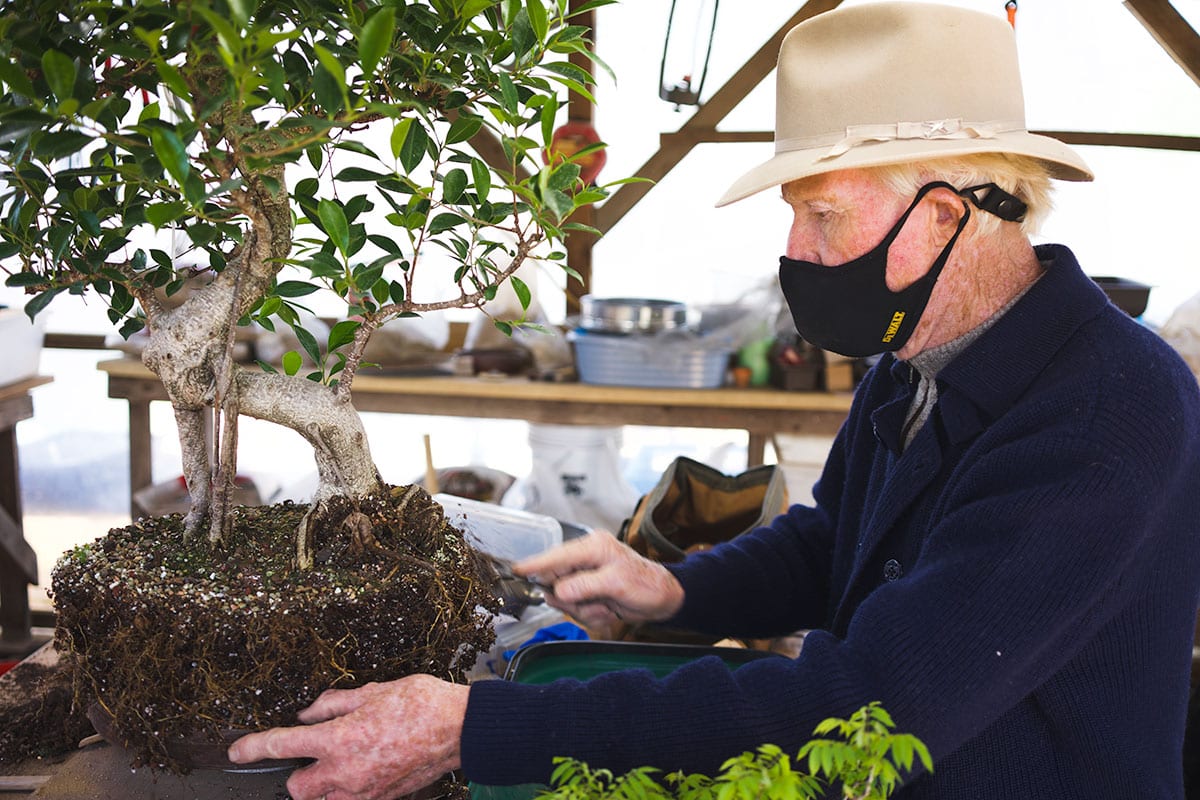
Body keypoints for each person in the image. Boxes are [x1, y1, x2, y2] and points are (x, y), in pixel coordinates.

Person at [228, 3, 1200, 798]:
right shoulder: (916, 351)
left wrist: (478, 725)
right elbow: (835, 541)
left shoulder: (1104, 415)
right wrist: (681, 587)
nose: (799, 258)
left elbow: (869, 701)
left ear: (946, 213)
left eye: (824, 216)